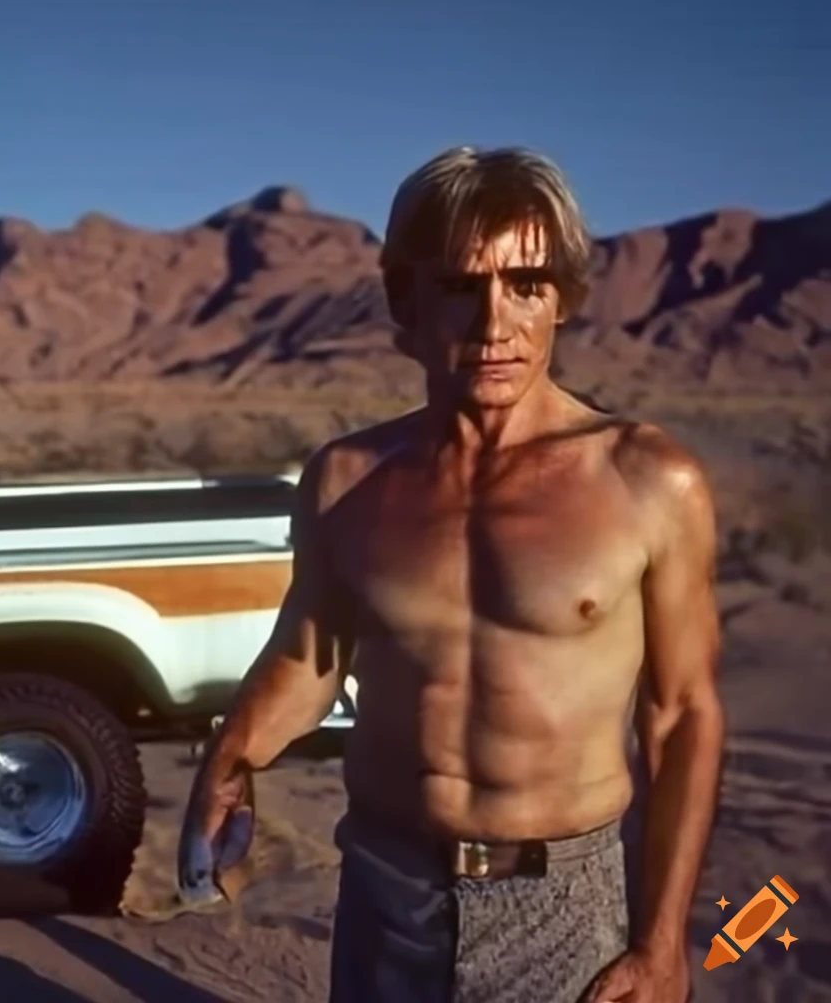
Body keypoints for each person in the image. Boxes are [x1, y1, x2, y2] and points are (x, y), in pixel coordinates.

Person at [176, 146, 725, 1003]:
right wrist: (230, 758)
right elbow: (307, 660)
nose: (495, 322)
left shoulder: (648, 479)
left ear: (565, 300)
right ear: (407, 303)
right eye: (463, 286)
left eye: (528, 285)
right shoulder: (348, 479)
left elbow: (681, 715)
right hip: (388, 892)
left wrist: (661, 945)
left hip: (562, 907)